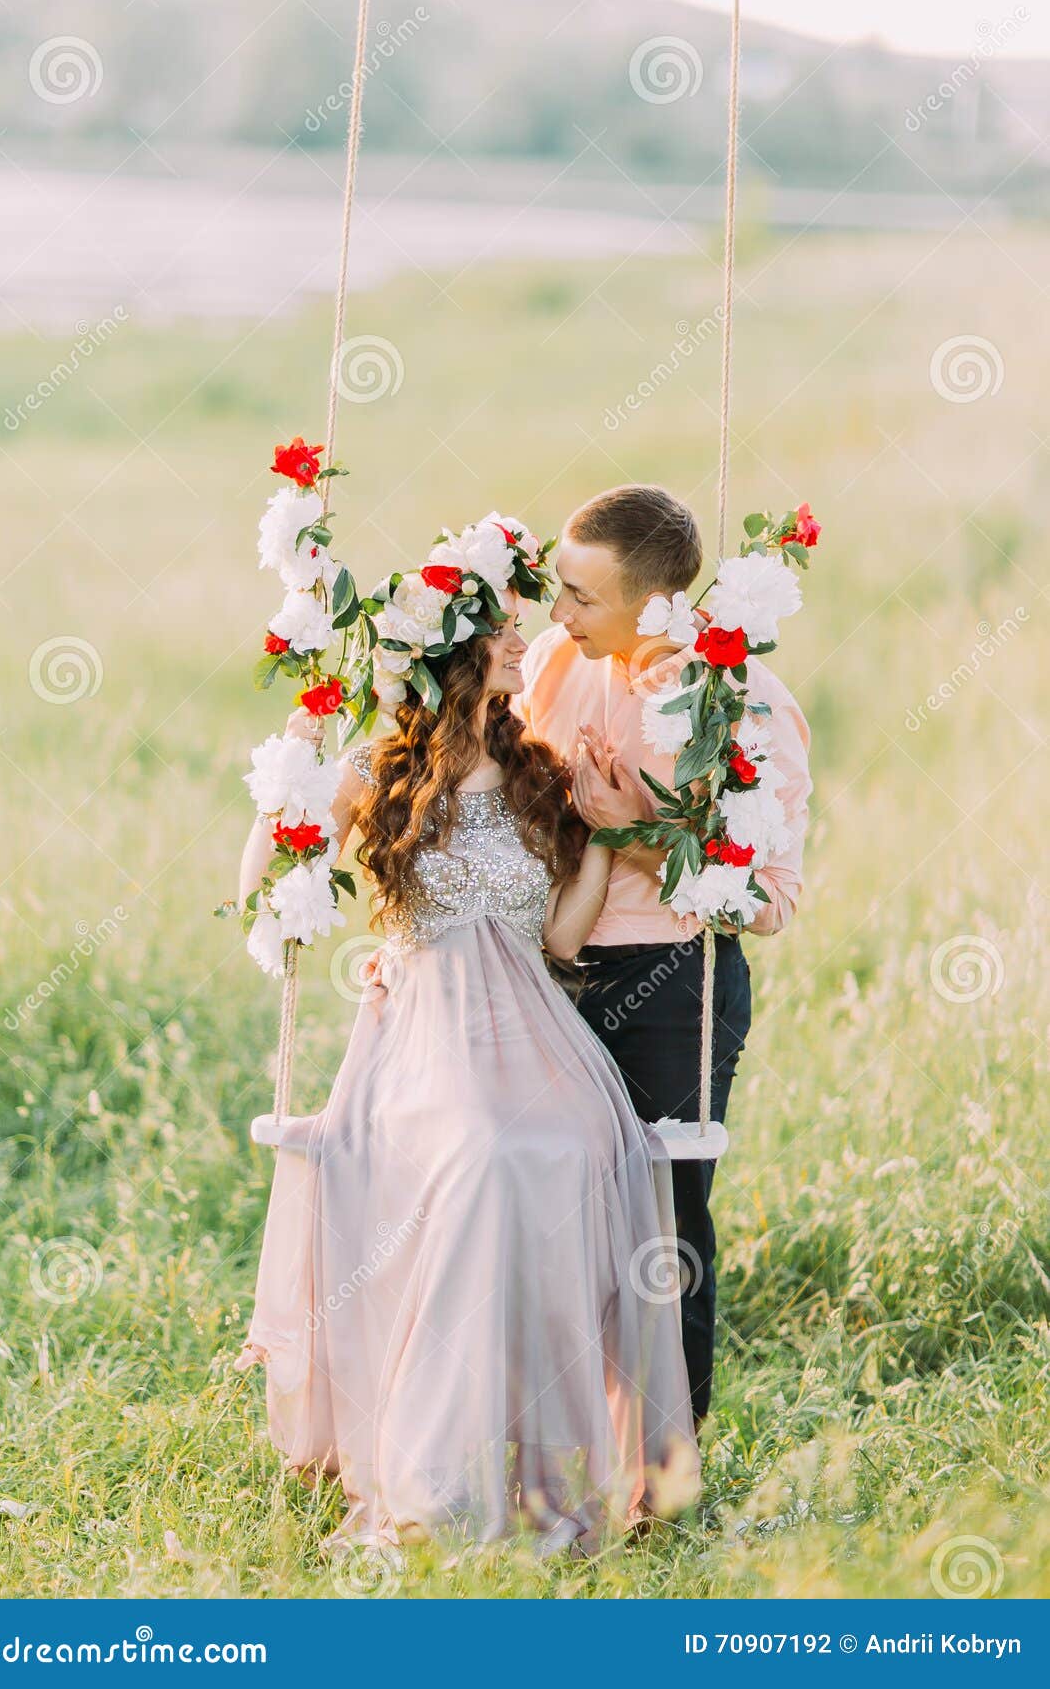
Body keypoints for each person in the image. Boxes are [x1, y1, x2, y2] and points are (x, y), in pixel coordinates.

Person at [232, 533, 700, 1564]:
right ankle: (445, 1471)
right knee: (483, 1159)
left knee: (575, 1149)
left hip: (532, 1025)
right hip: (423, 1028)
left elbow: (565, 938)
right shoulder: (382, 771)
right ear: (454, 654)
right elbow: (269, 845)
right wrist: (293, 895)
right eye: (497, 630)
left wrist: (611, 841)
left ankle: (550, 1458)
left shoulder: (538, 770)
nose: (518, 638)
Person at [512, 484, 813, 1429]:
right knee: (543, 1223)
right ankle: (559, 1448)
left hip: (671, 990)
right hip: (543, 977)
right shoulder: (559, 659)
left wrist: (629, 834)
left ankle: (663, 1471)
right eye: (557, 590)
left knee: (660, 1233)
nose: (557, 615)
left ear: (652, 606)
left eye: (580, 598)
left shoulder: (743, 704)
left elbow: (768, 901)